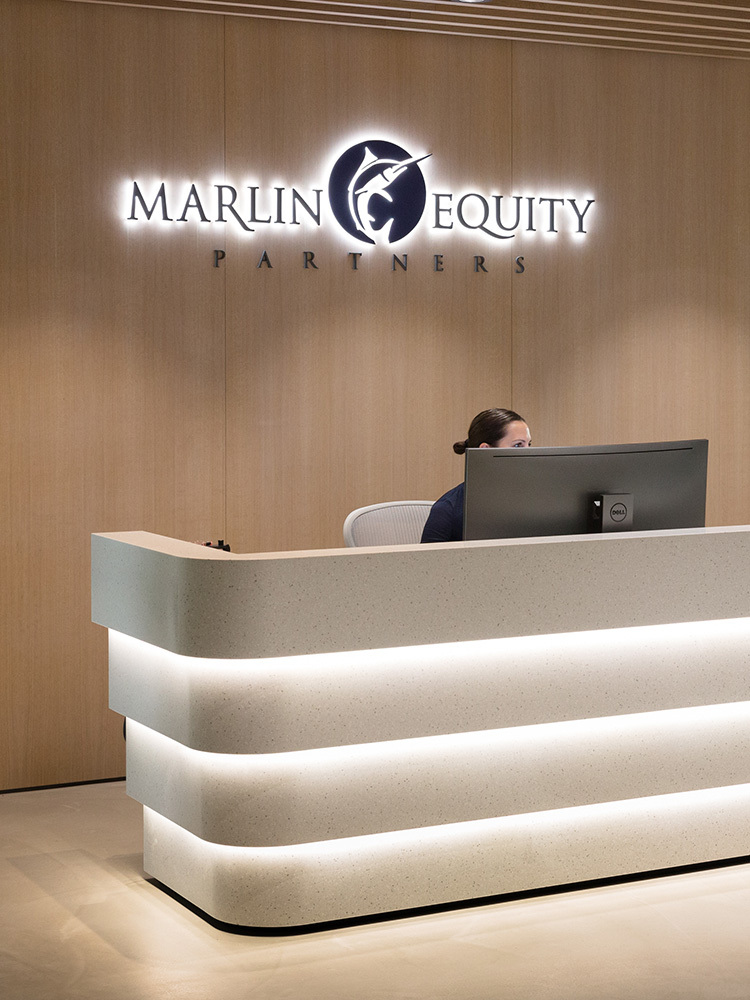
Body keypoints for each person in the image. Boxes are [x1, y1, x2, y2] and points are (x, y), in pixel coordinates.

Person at [420, 408, 531, 543]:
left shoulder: (533, 501)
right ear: (485, 451)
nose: (529, 453)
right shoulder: (447, 509)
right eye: (518, 445)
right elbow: (428, 557)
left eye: (529, 444)